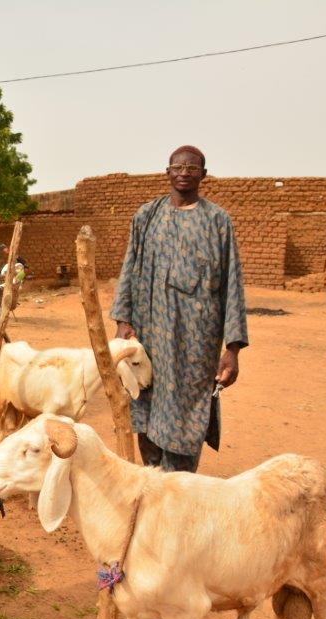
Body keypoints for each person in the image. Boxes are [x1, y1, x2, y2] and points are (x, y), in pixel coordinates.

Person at [110, 145, 248, 473]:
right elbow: (129, 268)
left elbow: (233, 285)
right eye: (178, 166)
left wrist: (232, 349)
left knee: (188, 413)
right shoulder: (146, 216)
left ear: (204, 174)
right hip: (149, 338)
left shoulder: (217, 221)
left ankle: (180, 488)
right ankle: (154, 483)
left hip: (195, 345)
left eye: (192, 167)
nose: (184, 172)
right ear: (167, 172)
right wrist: (122, 321)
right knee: (145, 404)